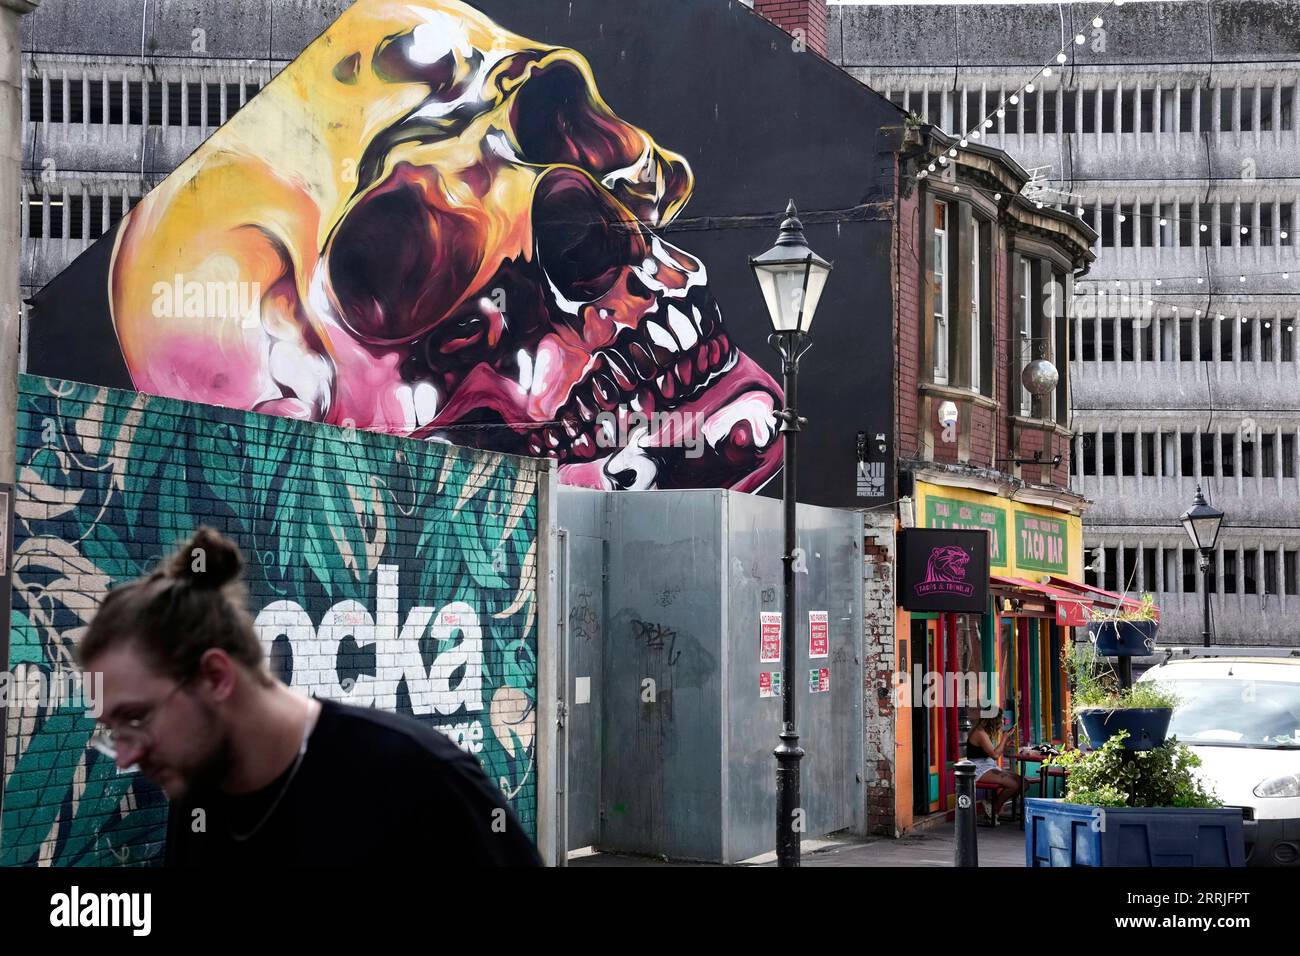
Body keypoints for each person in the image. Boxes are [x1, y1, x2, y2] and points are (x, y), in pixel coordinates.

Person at [78, 526, 543, 866]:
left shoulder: (420, 778)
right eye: (112, 731)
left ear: (216, 676)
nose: (125, 755)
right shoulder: (197, 798)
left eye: (135, 718)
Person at [965, 709, 1020, 825]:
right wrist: (1004, 739)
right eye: (1001, 720)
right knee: (1014, 784)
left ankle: (991, 804)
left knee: (1024, 783)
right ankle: (994, 808)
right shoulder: (980, 733)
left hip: (988, 765)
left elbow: (993, 752)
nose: (1002, 723)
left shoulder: (985, 731)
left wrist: (1005, 744)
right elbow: (995, 755)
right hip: (979, 767)